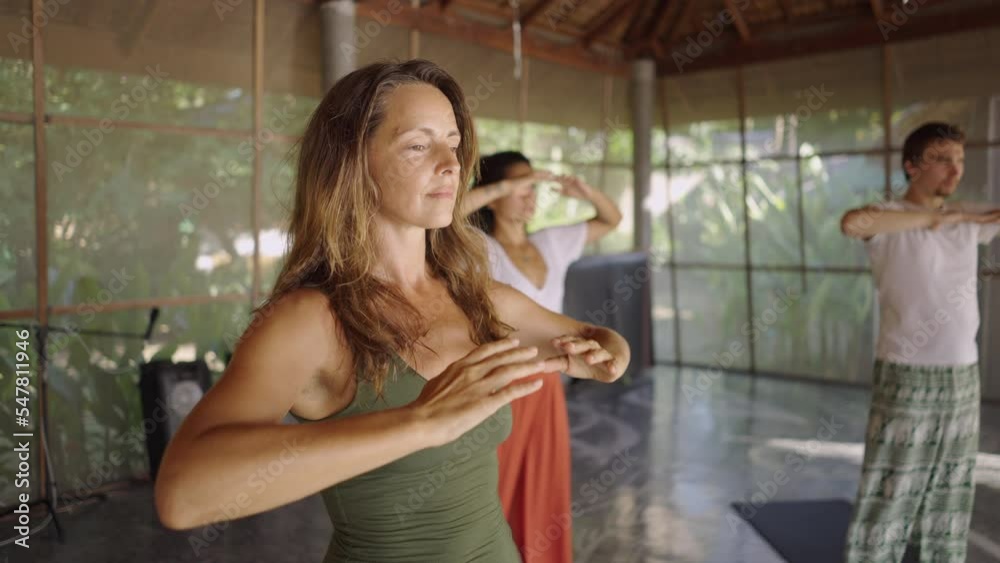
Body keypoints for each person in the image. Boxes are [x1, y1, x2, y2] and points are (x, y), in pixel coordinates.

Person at [153, 59, 630, 563]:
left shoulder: (478, 297)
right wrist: (420, 422)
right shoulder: (310, 320)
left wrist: (608, 357)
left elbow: (596, 336)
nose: (451, 164)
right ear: (354, 162)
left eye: (453, 143)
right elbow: (184, 496)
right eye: (419, 145)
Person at [840, 122, 1000, 563]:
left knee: (950, 494)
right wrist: (938, 218)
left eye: (960, 160)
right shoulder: (888, 218)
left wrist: (959, 217)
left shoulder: (968, 219)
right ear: (912, 166)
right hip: (905, 372)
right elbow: (852, 223)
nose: (956, 170)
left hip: (962, 374)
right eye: (943, 160)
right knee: (890, 489)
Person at [461, 151, 623, 563]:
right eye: (520, 188)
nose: (529, 196)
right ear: (493, 194)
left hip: (547, 381)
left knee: (544, 480)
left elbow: (612, 219)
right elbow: (444, 218)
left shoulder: (551, 242)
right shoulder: (478, 247)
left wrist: (584, 192)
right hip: (498, 382)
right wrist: (503, 187)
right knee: (494, 485)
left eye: (532, 188)